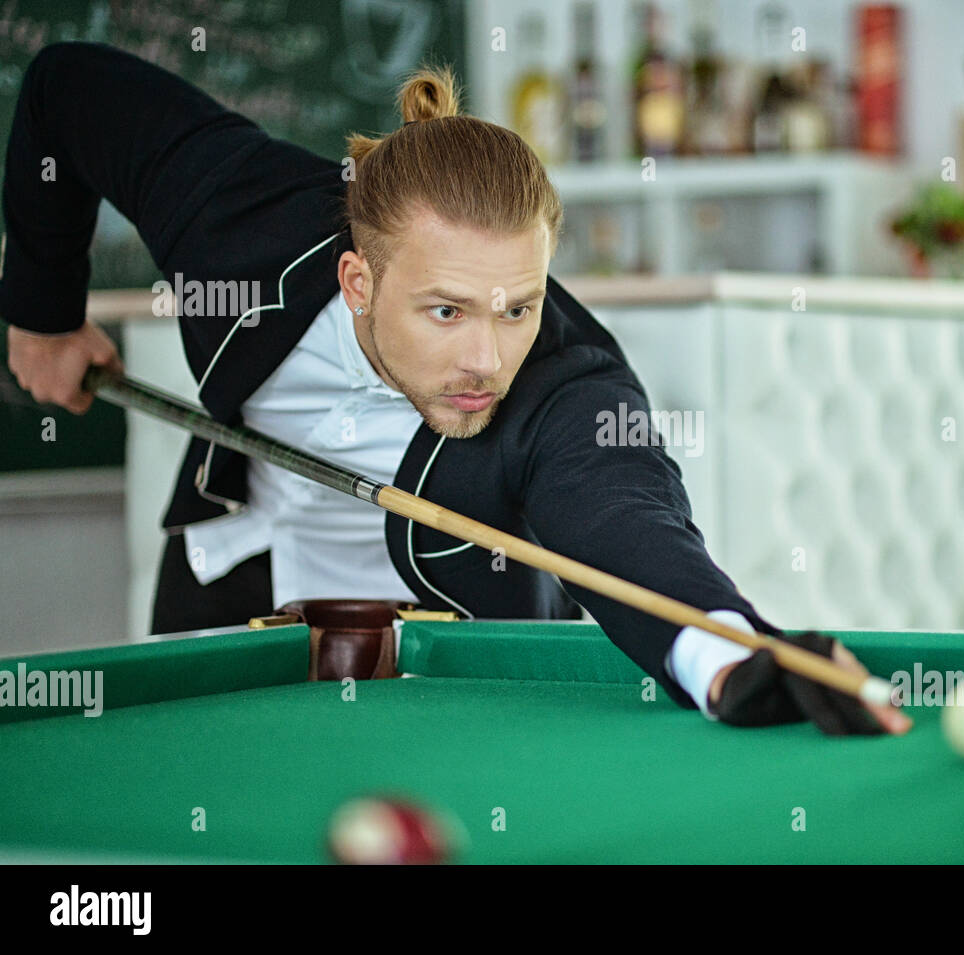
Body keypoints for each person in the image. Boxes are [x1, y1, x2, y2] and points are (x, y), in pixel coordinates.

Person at [2, 42, 910, 737]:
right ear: (359, 282)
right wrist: (43, 312)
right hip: (232, 608)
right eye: (446, 312)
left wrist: (728, 653)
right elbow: (62, 89)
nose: (487, 358)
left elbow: (628, 527)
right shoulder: (240, 218)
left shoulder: (570, 388)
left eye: (517, 307)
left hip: (453, 675)